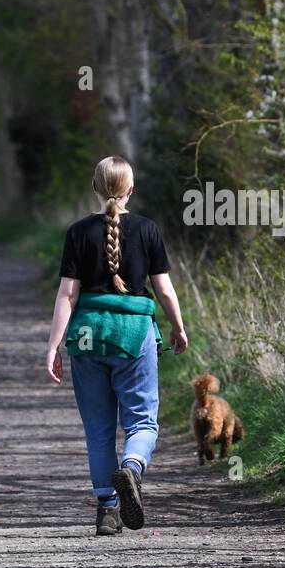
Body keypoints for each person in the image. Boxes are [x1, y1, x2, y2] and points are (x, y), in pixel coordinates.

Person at [44, 156, 188, 535]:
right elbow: (164, 289)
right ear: (130, 190)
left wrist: (54, 345)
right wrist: (178, 327)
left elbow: (67, 295)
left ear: (95, 187)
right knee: (142, 419)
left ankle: (107, 510)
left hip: (89, 335)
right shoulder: (147, 230)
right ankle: (133, 468)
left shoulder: (77, 232)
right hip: (134, 334)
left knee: (99, 430)